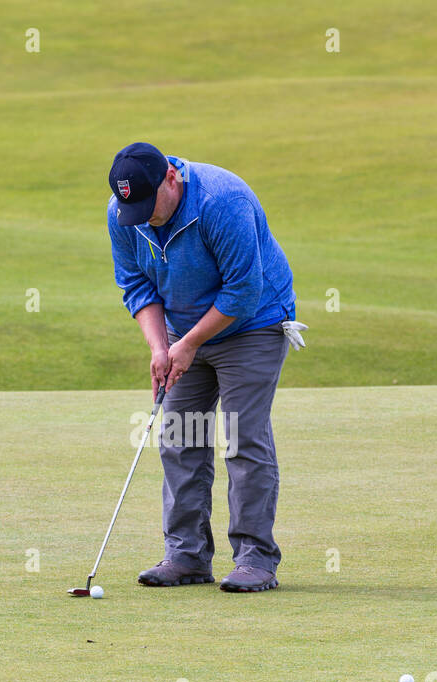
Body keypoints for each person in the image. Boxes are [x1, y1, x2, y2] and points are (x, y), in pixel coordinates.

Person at [106, 142, 306, 593]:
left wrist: (190, 343)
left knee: (242, 436)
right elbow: (135, 283)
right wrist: (161, 347)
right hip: (181, 331)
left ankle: (256, 559)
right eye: (130, 207)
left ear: (171, 179)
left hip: (253, 324)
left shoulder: (222, 201)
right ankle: (187, 555)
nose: (143, 217)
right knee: (180, 437)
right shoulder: (125, 213)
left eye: (148, 205)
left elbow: (243, 291)